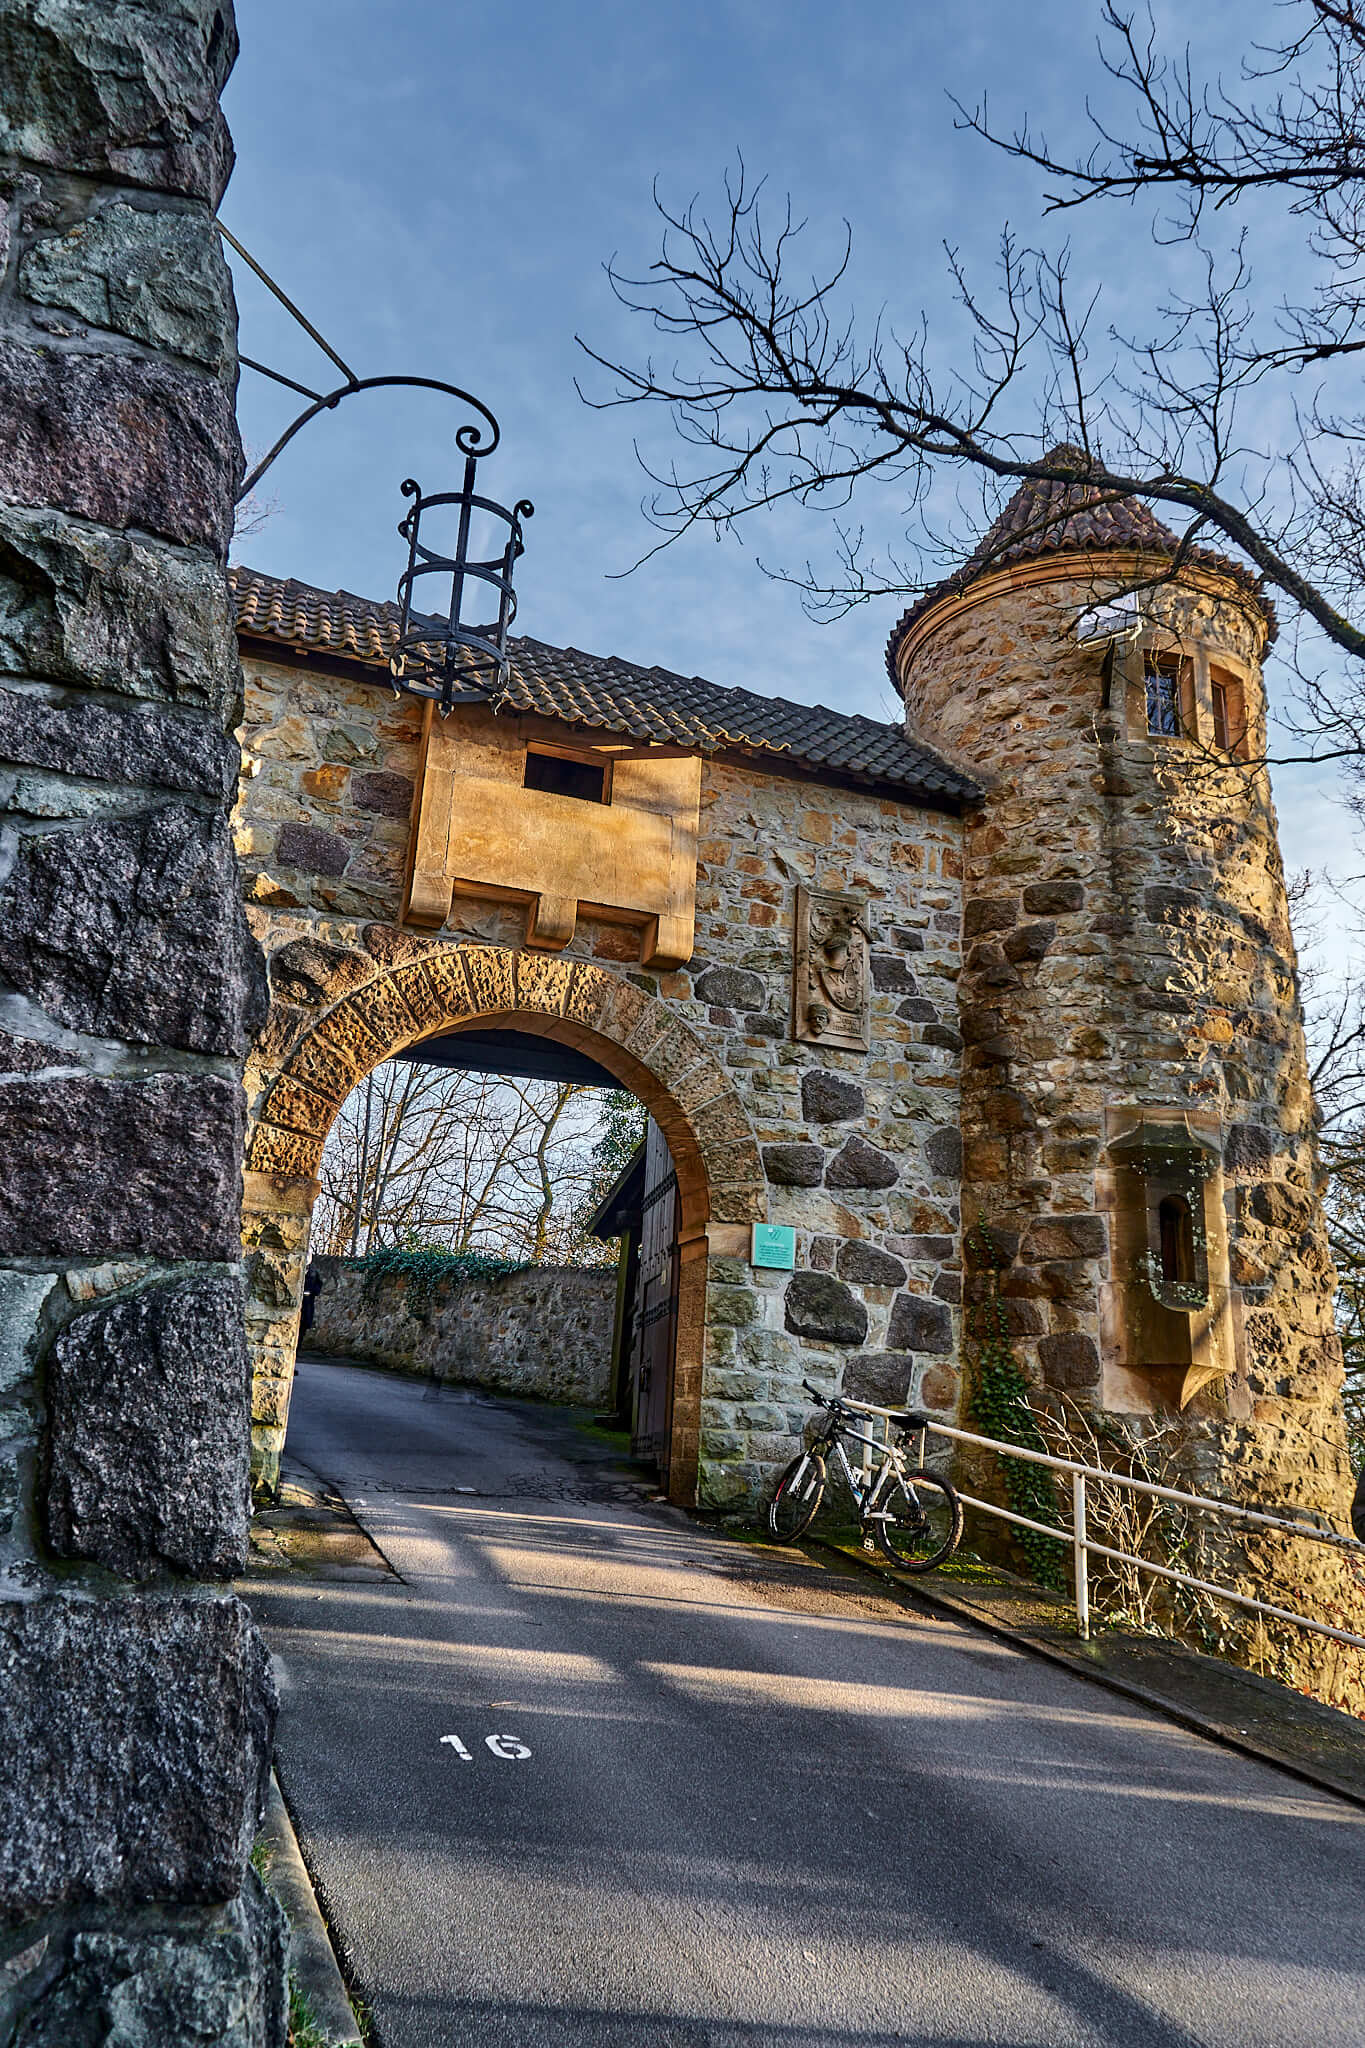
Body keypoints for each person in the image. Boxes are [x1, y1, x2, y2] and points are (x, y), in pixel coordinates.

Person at [299, 1261, 323, 1336]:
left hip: (307, 1304)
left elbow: (317, 1290)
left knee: (303, 1328)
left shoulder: (313, 1273)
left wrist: (310, 1290)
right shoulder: (298, 1268)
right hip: (299, 1302)